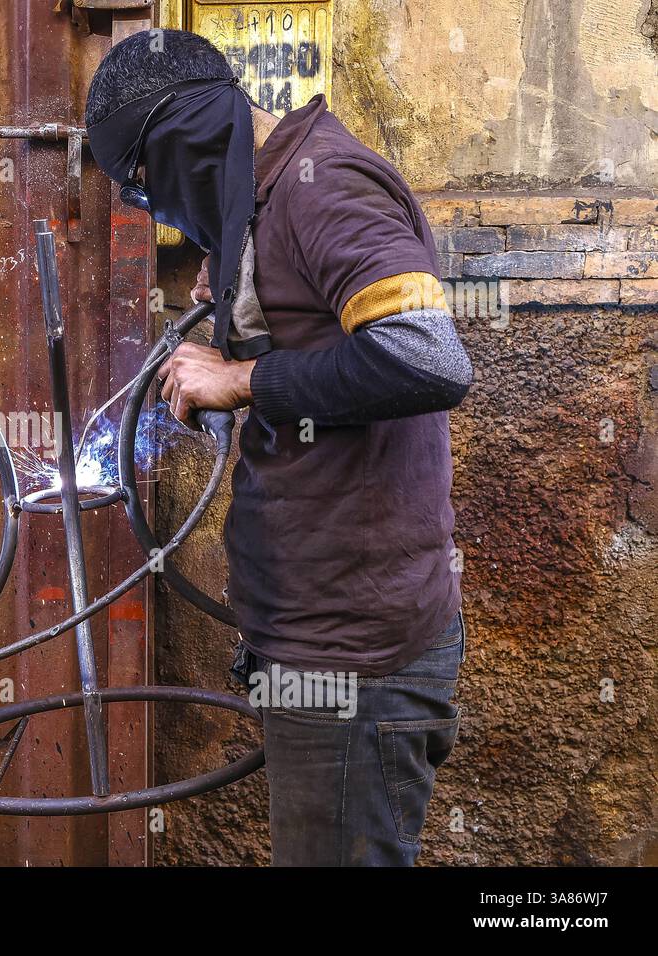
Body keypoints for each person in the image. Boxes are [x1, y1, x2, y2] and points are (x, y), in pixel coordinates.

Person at [85, 28, 473, 866]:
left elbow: (427, 359)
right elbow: (318, 338)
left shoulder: (322, 187)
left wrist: (244, 381)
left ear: (184, 138)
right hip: (308, 637)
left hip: (355, 658)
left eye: (151, 189)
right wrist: (240, 286)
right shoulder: (264, 198)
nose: (158, 214)